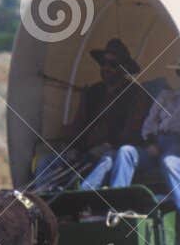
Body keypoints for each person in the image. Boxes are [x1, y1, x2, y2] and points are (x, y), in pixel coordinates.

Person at [31, 38, 151, 191]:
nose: (106, 68)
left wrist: (110, 145)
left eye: (112, 65)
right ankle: (42, 199)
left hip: (112, 151)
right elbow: (79, 125)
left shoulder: (136, 94)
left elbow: (133, 131)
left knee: (106, 161)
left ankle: (83, 195)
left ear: (124, 69)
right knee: (46, 162)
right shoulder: (93, 92)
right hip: (86, 152)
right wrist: (73, 145)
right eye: (103, 64)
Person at [94, 70, 180, 239]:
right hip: (158, 141)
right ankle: (116, 205)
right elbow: (149, 124)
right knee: (126, 152)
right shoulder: (167, 96)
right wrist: (151, 141)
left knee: (170, 162)